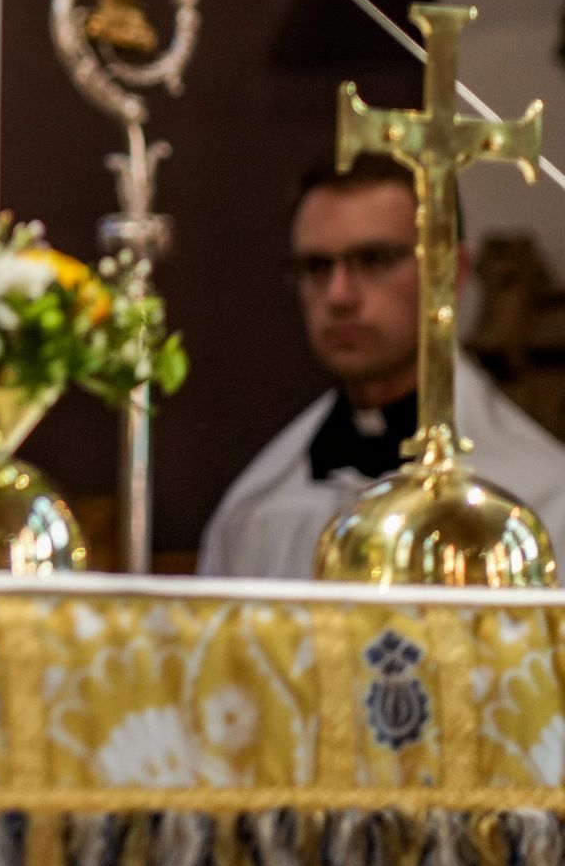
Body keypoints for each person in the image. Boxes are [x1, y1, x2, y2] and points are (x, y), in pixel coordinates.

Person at [197, 153, 565, 579]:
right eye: (316, 266)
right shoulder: (255, 507)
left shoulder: (541, 497)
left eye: (374, 259)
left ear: (450, 273)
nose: (338, 296)